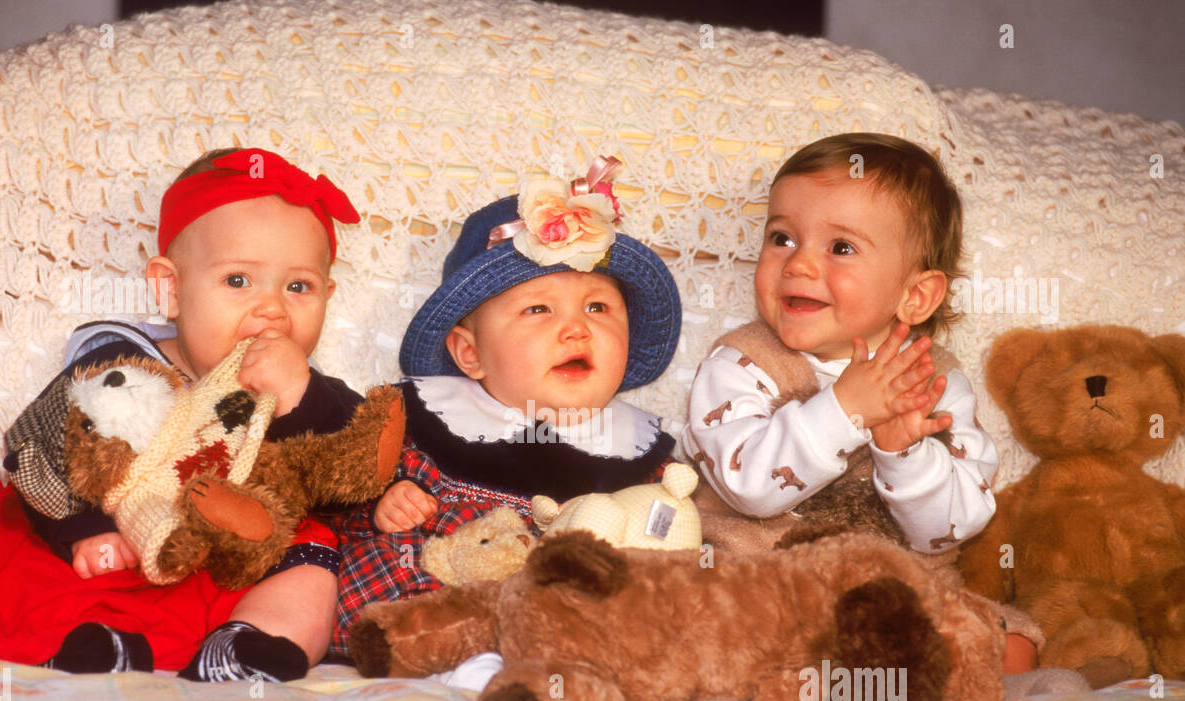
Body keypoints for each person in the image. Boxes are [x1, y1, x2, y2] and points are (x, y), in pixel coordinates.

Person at [0, 147, 380, 683]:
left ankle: (250, 643)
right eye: (238, 281)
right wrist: (85, 531)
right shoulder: (123, 361)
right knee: (22, 559)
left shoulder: (302, 382)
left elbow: (352, 466)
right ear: (170, 287)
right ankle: (87, 644)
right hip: (110, 542)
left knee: (311, 552)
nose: (272, 308)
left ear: (328, 295)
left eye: (298, 286)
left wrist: (300, 392)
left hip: (225, 555)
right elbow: (49, 445)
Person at [329, 157, 682, 673]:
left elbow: (671, 538)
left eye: (598, 308)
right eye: (539, 309)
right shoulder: (427, 420)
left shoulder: (636, 451)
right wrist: (381, 503)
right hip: (434, 604)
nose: (576, 331)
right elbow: (333, 492)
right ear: (469, 355)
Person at [683, 132, 997, 556]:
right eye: (782, 238)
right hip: (759, 574)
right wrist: (843, 408)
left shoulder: (934, 384)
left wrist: (903, 452)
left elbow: (948, 533)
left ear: (915, 296)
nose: (798, 264)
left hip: (887, 592)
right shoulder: (740, 364)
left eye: (841, 247)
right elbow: (749, 489)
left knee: (986, 623)